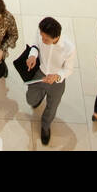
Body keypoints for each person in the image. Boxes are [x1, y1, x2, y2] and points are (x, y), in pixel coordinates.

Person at [25, 16, 76, 145]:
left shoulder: (69, 48)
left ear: (55, 37)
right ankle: (39, 97)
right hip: (40, 73)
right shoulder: (41, 33)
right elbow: (35, 45)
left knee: (52, 106)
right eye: (42, 36)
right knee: (30, 99)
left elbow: (69, 70)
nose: (43, 39)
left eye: (46, 39)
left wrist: (57, 76)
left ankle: (45, 126)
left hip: (56, 81)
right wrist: (32, 55)